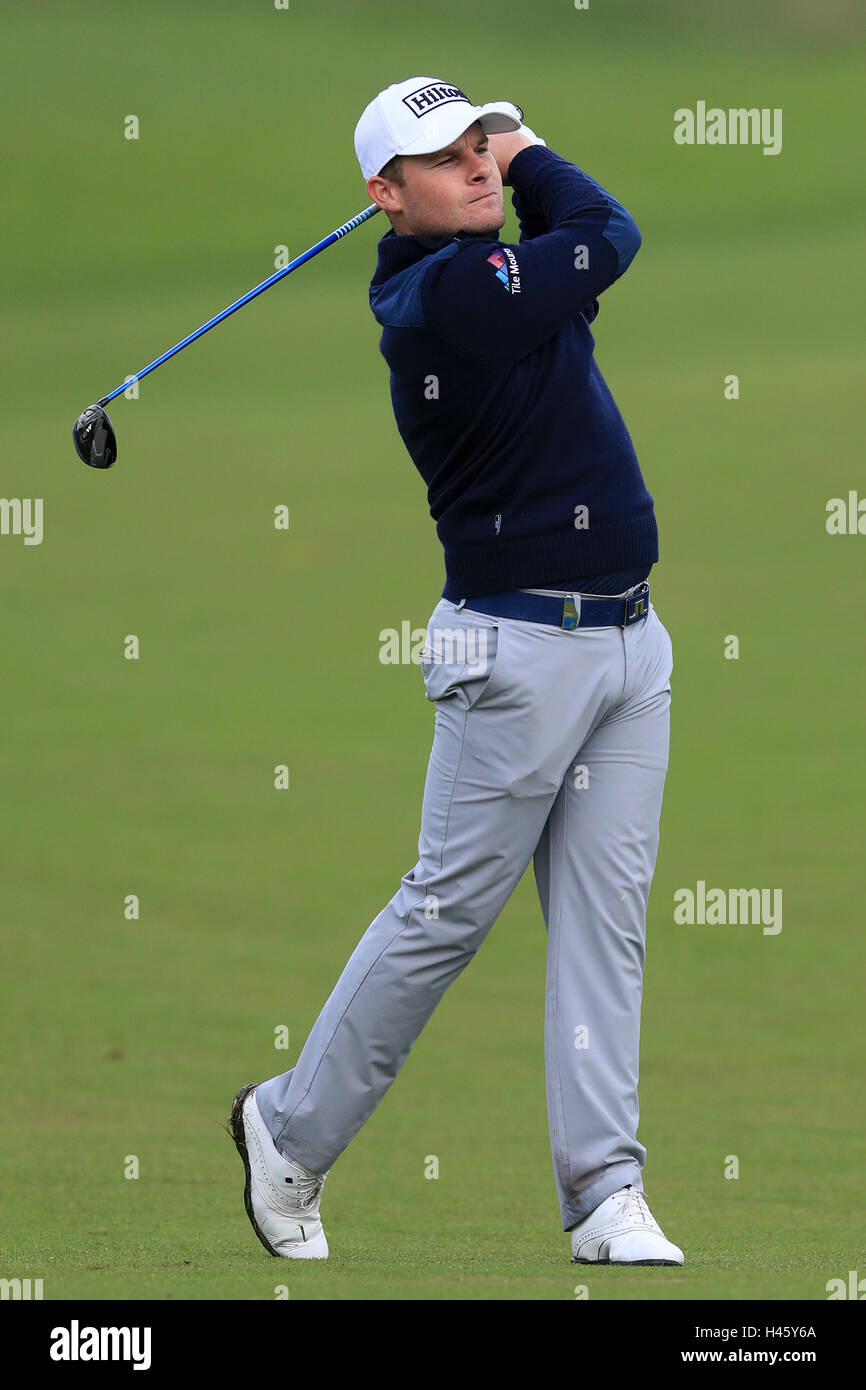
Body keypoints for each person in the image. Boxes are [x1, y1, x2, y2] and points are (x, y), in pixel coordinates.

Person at [228, 75, 683, 1267]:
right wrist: (535, 144)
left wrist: (506, 153)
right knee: (442, 917)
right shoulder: (441, 301)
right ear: (387, 196)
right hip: (514, 654)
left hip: (632, 645)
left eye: (482, 143)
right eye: (448, 157)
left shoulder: (487, 265)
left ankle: (603, 1194)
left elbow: (576, 243)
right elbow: (609, 234)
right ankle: (284, 1128)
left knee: (604, 926)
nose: (480, 166)